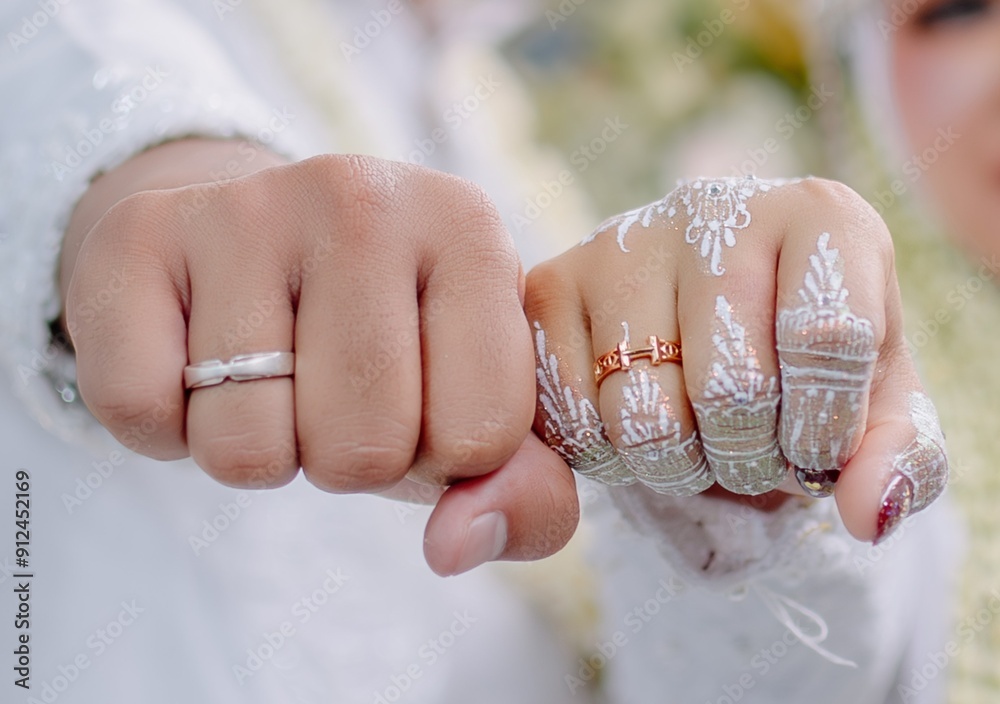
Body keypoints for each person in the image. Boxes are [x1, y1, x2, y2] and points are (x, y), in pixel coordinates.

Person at [0, 1, 972, 703]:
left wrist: (735, 483)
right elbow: (88, 100)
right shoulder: (112, 37)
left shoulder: (495, 125)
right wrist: (165, 201)